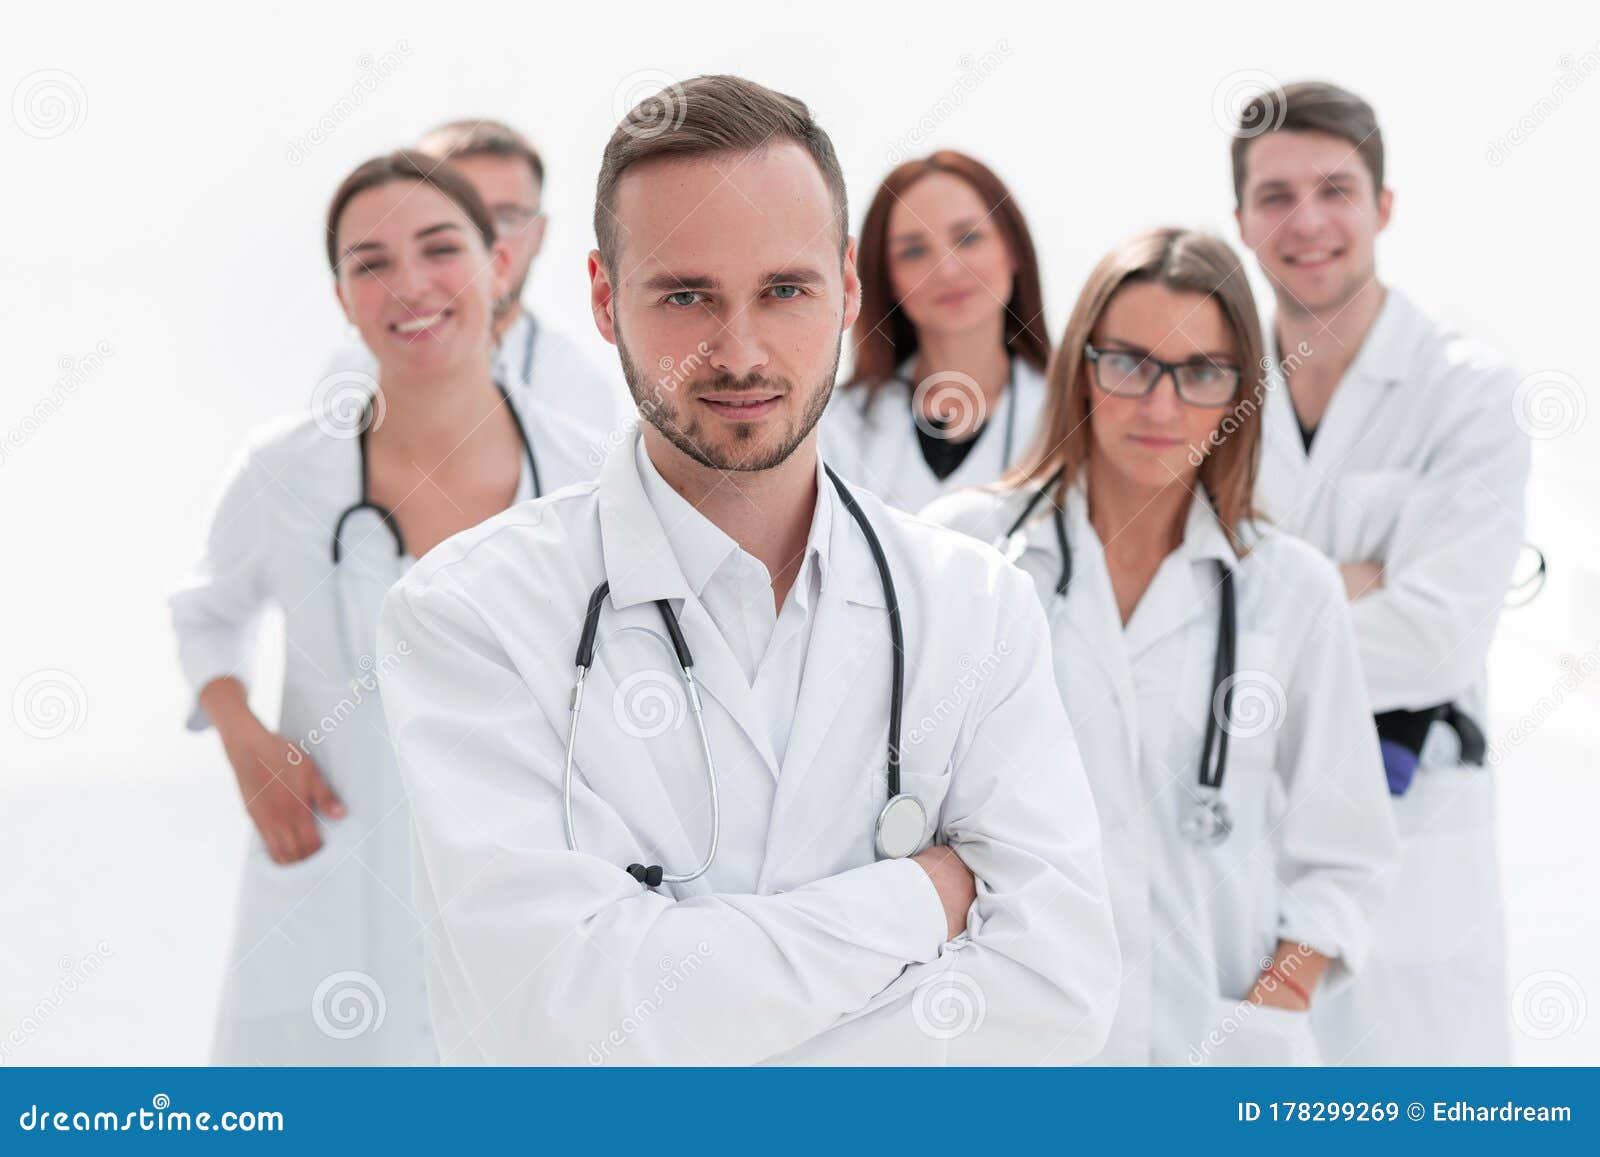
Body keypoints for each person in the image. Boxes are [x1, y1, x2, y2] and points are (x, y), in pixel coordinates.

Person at [376, 75, 1120, 1066]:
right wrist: (922, 896)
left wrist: (697, 1026)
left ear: (848, 288)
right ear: (604, 298)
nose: (739, 352)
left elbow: (1056, 998)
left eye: (784, 290)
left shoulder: (973, 606)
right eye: (686, 296)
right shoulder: (470, 614)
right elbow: (563, 1020)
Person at [924, 227, 1399, 1065]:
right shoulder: (963, 553)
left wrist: (1261, 1017)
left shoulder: (1290, 588)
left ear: (1241, 390)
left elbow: (1348, 855)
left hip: (1211, 1053)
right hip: (1005, 1047)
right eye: (1130, 363)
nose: (1160, 405)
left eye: (1201, 373)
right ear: (1082, 367)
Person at [170, 151, 601, 1064]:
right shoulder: (287, 469)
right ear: (342, 297)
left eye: (439, 248)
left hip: (541, 912)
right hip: (334, 896)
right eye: (369, 263)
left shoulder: (593, 478)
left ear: (498, 266)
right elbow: (207, 612)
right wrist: (245, 739)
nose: (408, 284)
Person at [1231, 81, 1531, 1063]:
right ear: (1240, 218)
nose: (1306, 221)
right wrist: (1349, 582)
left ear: (1382, 206)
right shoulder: (1211, 393)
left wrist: (1247, 634)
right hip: (1241, 855)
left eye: (1335, 189)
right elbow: (1154, 601)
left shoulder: (1466, 390)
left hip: (1414, 855)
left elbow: (1436, 638)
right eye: (1275, 195)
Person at [320, 119, 629, 435]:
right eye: (458, 215)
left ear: (537, 236)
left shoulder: (576, 391)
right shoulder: (345, 380)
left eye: (506, 217)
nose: (486, 235)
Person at [821, 151, 1050, 511]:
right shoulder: (836, 427)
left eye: (969, 238)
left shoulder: (1069, 415)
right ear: (887, 280)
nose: (947, 269)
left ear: (1013, 249)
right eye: (913, 252)